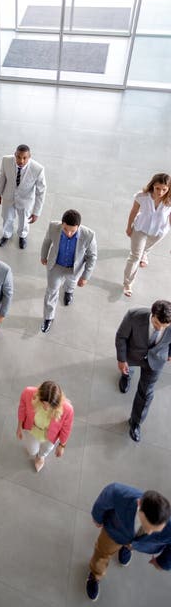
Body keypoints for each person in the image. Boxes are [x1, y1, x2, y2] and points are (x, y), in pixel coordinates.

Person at [85, 483, 171, 601]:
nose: (149, 533)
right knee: (102, 553)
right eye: (146, 527)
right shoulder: (119, 494)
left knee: (133, 543)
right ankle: (95, 575)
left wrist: (163, 562)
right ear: (139, 504)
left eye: (155, 530)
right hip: (114, 532)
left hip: (139, 545)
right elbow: (105, 498)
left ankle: (127, 547)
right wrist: (97, 517)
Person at [115, 299, 171, 443]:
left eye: (164, 326)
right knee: (127, 369)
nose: (159, 329)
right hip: (133, 354)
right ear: (152, 314)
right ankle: (126, 376)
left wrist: (169, 354)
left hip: (156, 360)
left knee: (146, 393)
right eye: (157, 324)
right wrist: (122, 360)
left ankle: (135, 422)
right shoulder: (134, 315)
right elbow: (121, 337)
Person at [40, 209, 97, 333]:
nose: (69, 233)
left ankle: (68, 291)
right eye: (65, 229)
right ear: (62, 224)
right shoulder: (53, 227)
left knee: (71, 283)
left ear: (78, 227)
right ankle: (48, 317)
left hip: (74, 268)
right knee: (51, 291)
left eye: (72, 230)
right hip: (56, 265)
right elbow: (47, 242)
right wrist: (43, 256)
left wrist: (85, 277)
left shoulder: (89, 235)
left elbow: (92, 256)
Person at [123, 173, 171, 297]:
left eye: (164, 189)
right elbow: (134, 211)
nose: (160, 192)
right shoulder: (142, 196)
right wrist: (129, 227)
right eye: (157, 188)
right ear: (153, 186)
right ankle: (128, 283)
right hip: (140, 229)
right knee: (134, 257)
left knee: (147, 247)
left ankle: (145, 253)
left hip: (159, 232)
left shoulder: (169, 201)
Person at [0, 143, 46, 249]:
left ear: (29, 157)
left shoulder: (38, 169)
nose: (21, 161)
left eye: (24, 158)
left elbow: (41, 192)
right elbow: (2, 178)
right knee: (6, 217)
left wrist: (36, 212)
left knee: (24, 221)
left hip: (25, 201)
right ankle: (6, 234)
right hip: (8, 196)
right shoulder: (6, 161)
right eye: (18, 157)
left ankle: (22, 236)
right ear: (15, 155)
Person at [16, 381, 74, 473]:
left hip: (51, 436)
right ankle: (35, 454)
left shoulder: (68, 409)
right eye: (43, 403)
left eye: (50, 405)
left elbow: (66, 428)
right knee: (32, 451)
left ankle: (40, 457)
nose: (46, 407)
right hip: (32, 429)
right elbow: (22, 409)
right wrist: (19, 426)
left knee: (45, 450)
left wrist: (62, 445)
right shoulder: (28, 393)